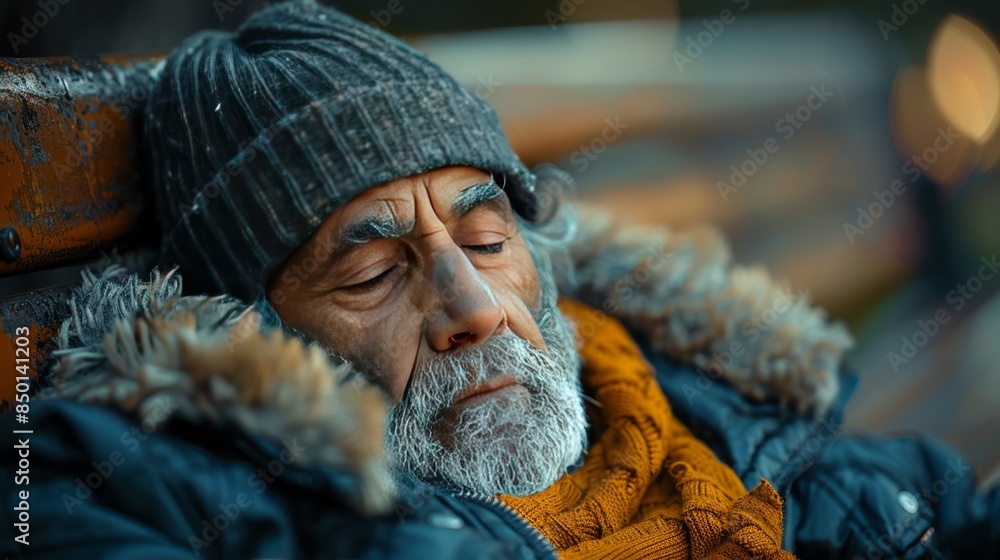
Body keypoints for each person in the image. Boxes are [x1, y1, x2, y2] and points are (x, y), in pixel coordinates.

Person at [3, 1, 997, 558]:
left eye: (485, 240)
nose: (474, 310)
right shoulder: (167, 493)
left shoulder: (699, 399)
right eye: (372, 273)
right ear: (251, 331)